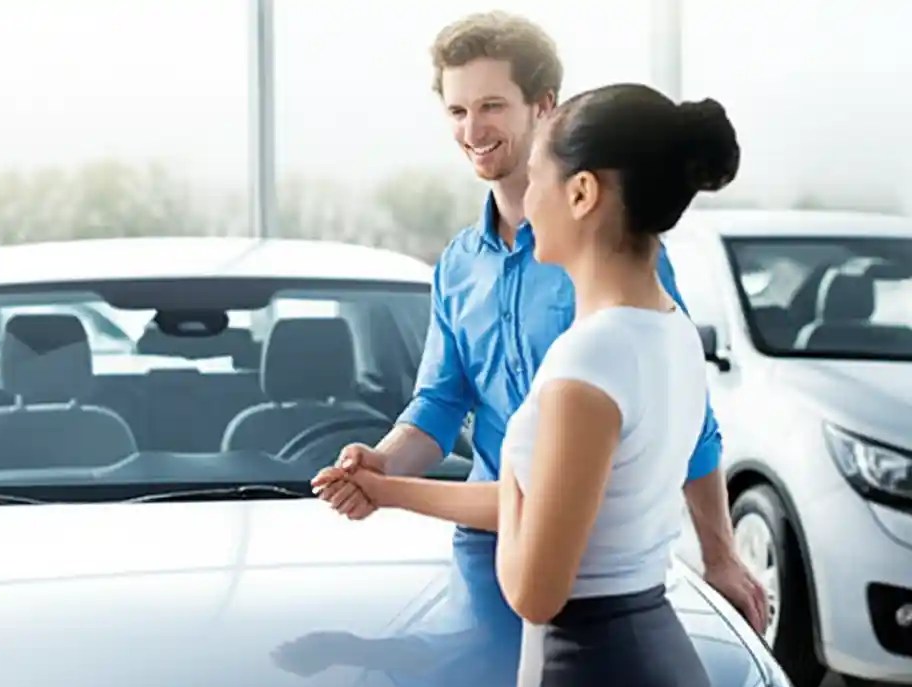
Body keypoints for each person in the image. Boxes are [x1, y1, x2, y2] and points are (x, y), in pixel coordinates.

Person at [312, 10, 766, 635]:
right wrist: (381, 467)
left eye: (491, 105)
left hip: (603, 545)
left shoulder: (616, 259)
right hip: (489, 543)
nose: (473, 129)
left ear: (544, 106)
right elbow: (441, 402)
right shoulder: (457, 265)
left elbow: (690, 418)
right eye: (456, 111)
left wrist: (721, 556)